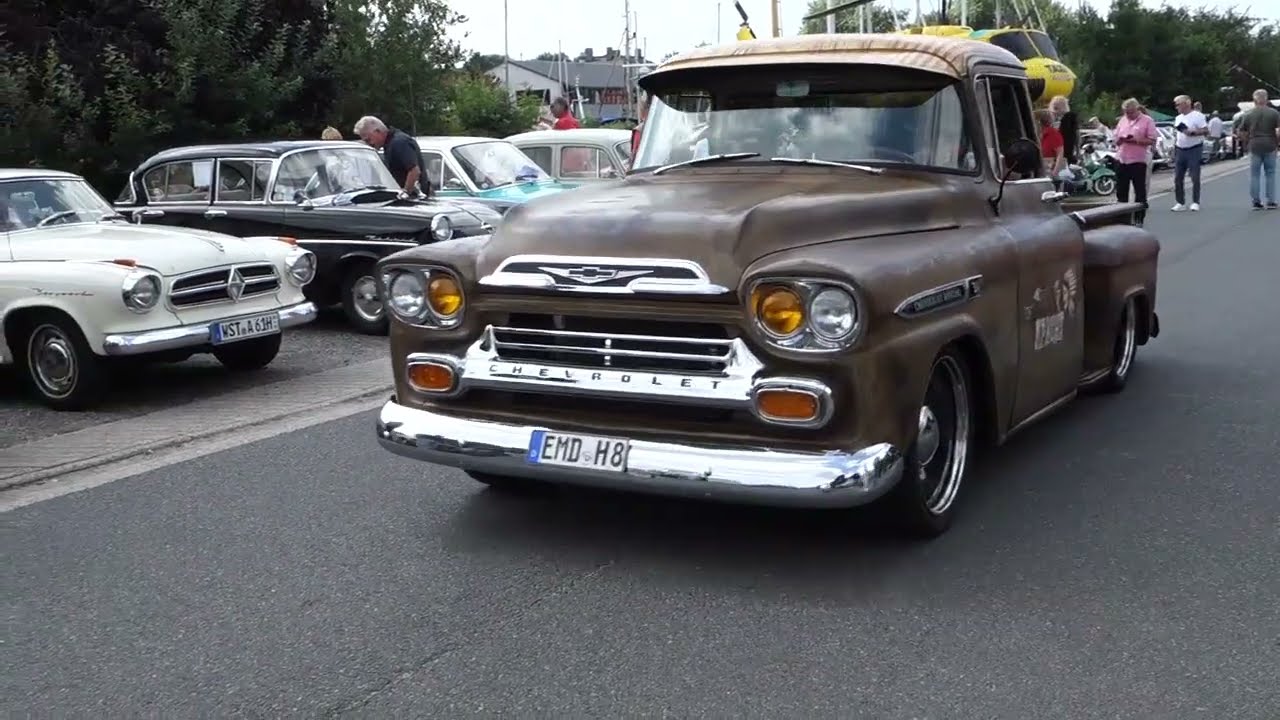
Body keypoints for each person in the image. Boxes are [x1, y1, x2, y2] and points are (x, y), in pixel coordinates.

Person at [352, 115, 429, 197]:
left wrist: (405, 193)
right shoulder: (390, 144)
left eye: (368, 140)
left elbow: (414, 171)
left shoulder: (399, 143)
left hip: (413, 200)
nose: (369, 144)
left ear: (377, 131)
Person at [1112, 98, 1159, 226]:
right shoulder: (1122, 120)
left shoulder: (1147, 121)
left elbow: (1152, 140)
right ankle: (1122, 219)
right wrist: (1119, 140)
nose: (1128, 115)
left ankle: (1139, 218)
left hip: (1138, 159)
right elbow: (1115, 137)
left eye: (1131, 112)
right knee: (1121, 191)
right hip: (1122, 158)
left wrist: (1137, 140)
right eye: (1126, 112)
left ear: (1137, 109)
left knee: (1139, 191)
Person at [1235, 88, 1280, 209]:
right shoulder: (1274, 113)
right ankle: (1271, 200)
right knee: (1270, 173)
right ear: (1266, 99)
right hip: (1270, 144)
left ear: (1254, 100)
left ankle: (1256, 201)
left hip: (1254, 144)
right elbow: (1278, 131)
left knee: (1255, 174)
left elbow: (1241, 131)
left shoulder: (1248, 114)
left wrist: (1247, 141)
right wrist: (1277, 143)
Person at [1170, 94, 1209, 211]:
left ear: (1186, 104)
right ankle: (1180, 202)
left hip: (1194, 148)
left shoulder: (1198, 116)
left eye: (1178, 104)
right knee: (1178, 177)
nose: (1176, 107)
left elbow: (1206, 130)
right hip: (1180, 148)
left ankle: (1195, 201)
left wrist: (1193, 132)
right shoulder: (1178, 118)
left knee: (1195, 176)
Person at [1035, 109, 1066, 186]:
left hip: (1048, 171)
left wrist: (1054, 173)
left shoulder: (1053, 134)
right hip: (1039, 170)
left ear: (1039, 122)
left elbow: (1060, 155)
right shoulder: (1037, 134)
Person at [1050, 95, 1080, 166]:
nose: (1055, 110)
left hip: (1066, 149)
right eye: (1054, 107)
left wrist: (1078, 150)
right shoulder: (1052, 119)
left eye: (1057, 107)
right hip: (1056, 151)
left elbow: (1077, 134)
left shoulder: (1070, 117)